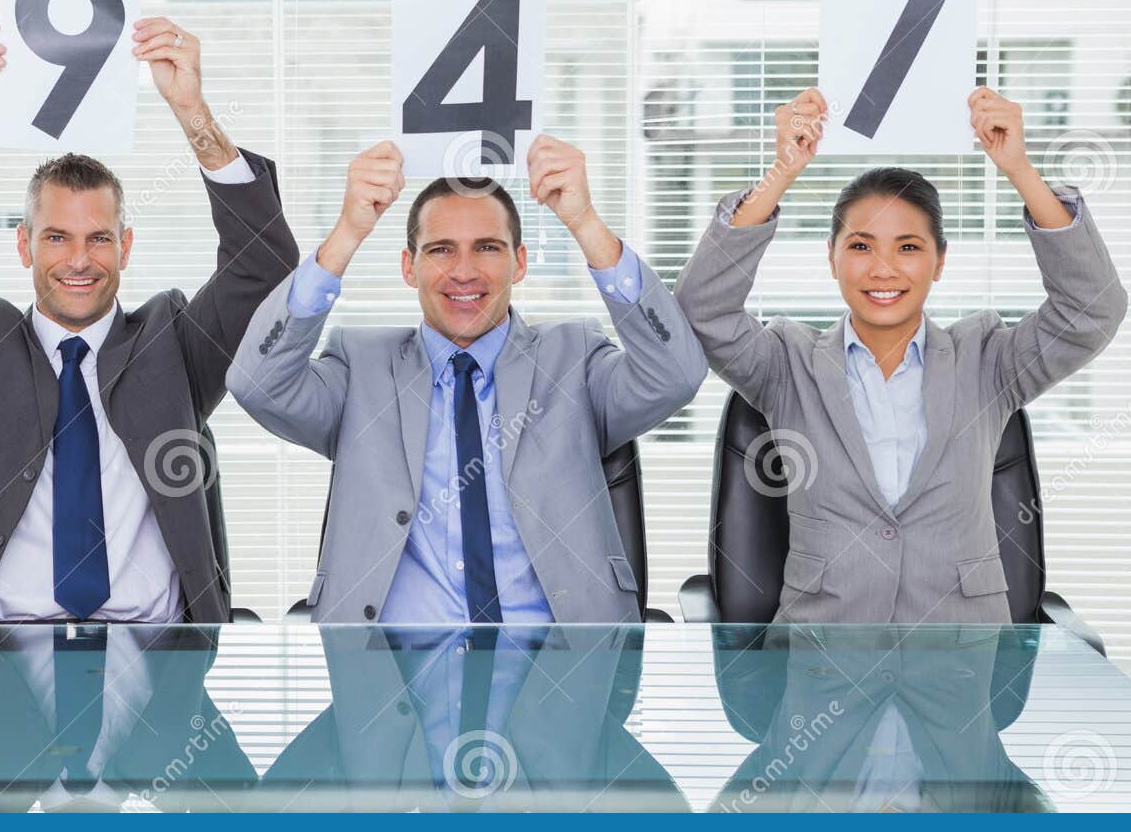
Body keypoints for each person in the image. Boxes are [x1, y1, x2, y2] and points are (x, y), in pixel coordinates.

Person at [0, 19, 298, 624]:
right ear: (24, 245)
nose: (79, 260)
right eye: (57, 237)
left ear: (125, 247)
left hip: (156, 657)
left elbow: (263, 264)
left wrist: (194, 114)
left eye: (98, 238)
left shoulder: (174, 345)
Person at [674, 86, 1126, 624]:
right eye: (861, 247)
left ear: (939, 261)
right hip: (822, 670)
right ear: (832, 258)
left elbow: (1092, 310)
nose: (883, 269)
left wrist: (1020, 170)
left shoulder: (987, 361)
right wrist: (781, 173)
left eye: (908, 247)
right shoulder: (786, 365)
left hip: (957, 670)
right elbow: (702, 312)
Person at [227, 134, 706, 623]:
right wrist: (346, 235)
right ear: (408, 267)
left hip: (560, 666)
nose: (463, 272)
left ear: (519, 263)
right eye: (440, 250)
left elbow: (676, 374)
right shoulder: (360, 368)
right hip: (390, 670)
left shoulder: (573, 358)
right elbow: (255, 382)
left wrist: (584, 223)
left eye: (487, 247)